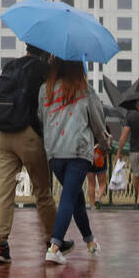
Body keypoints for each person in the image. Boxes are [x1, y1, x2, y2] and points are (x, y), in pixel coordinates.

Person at [0, 45, 61, 265]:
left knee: (4, 191)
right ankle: (53, 240)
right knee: (42, 189)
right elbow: (45, 105)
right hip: (28, 134)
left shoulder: (9, 66)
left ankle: (0, 244)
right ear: (44, 51)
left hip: (3, 134)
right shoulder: (42, 69)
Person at [40, 57, 110, 263]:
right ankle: (54, 247)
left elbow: (41, 118)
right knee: (69, 198)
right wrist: (105, 144)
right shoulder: (85, 90)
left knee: (75, 197)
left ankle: (90, 243)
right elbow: (98, 125)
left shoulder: (45, 90)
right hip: (78, 153)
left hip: (54, 154)